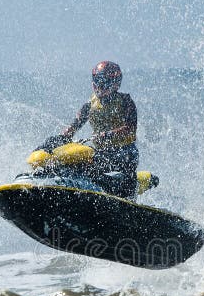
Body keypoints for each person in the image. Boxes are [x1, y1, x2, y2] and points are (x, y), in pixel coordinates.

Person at [38, 60, 138, 199]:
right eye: (97, 80)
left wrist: (107, 134)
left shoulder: (126, 101)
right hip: (101, 152)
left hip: (124, 153)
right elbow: (73, 128)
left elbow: (130, 129)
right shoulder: (90, 104)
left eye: (104, 81)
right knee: (70, 159)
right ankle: (45, 181)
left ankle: (124, 192)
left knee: (90, 164)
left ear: (116, 83)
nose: (100, 85)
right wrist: (60, 140)